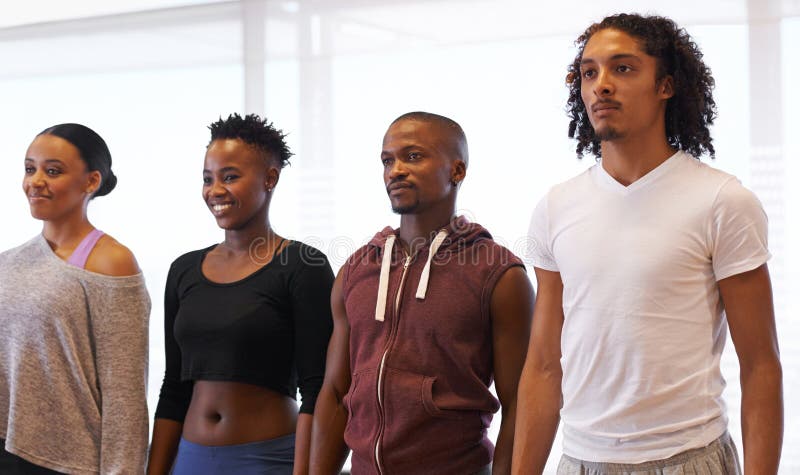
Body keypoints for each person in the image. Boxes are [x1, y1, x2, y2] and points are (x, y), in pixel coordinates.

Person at [513, 13, 783, 474]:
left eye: (623, 68)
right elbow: (542, 366)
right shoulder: (556, 207)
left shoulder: (722, 200)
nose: (601, 85)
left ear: (666, 86)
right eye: (589, 72)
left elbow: (760, 366)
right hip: (581, 460)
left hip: (689, 458)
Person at [309, 111, 534, 475]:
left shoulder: (499, 275)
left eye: (413, 156)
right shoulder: (356, 270)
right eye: (387, 160)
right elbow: (336, 394)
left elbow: (520, 405)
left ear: (457, 171)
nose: (395, 170)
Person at [147, 113, 334, 475]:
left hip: (269, 459)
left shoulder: (303, 264)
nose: (215, 190)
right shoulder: (183, 270)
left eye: (230, 177)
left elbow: (318, 392)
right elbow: (173, 389)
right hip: (190, 459)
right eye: (208, 179)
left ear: (270, 178)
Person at [0, 123, 150, 474]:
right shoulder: (6, 263)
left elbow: (124, 396)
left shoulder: (112, 262)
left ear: (91, 182)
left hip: (70, 464)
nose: (35, 181)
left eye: (53, 171)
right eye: (29, 168)